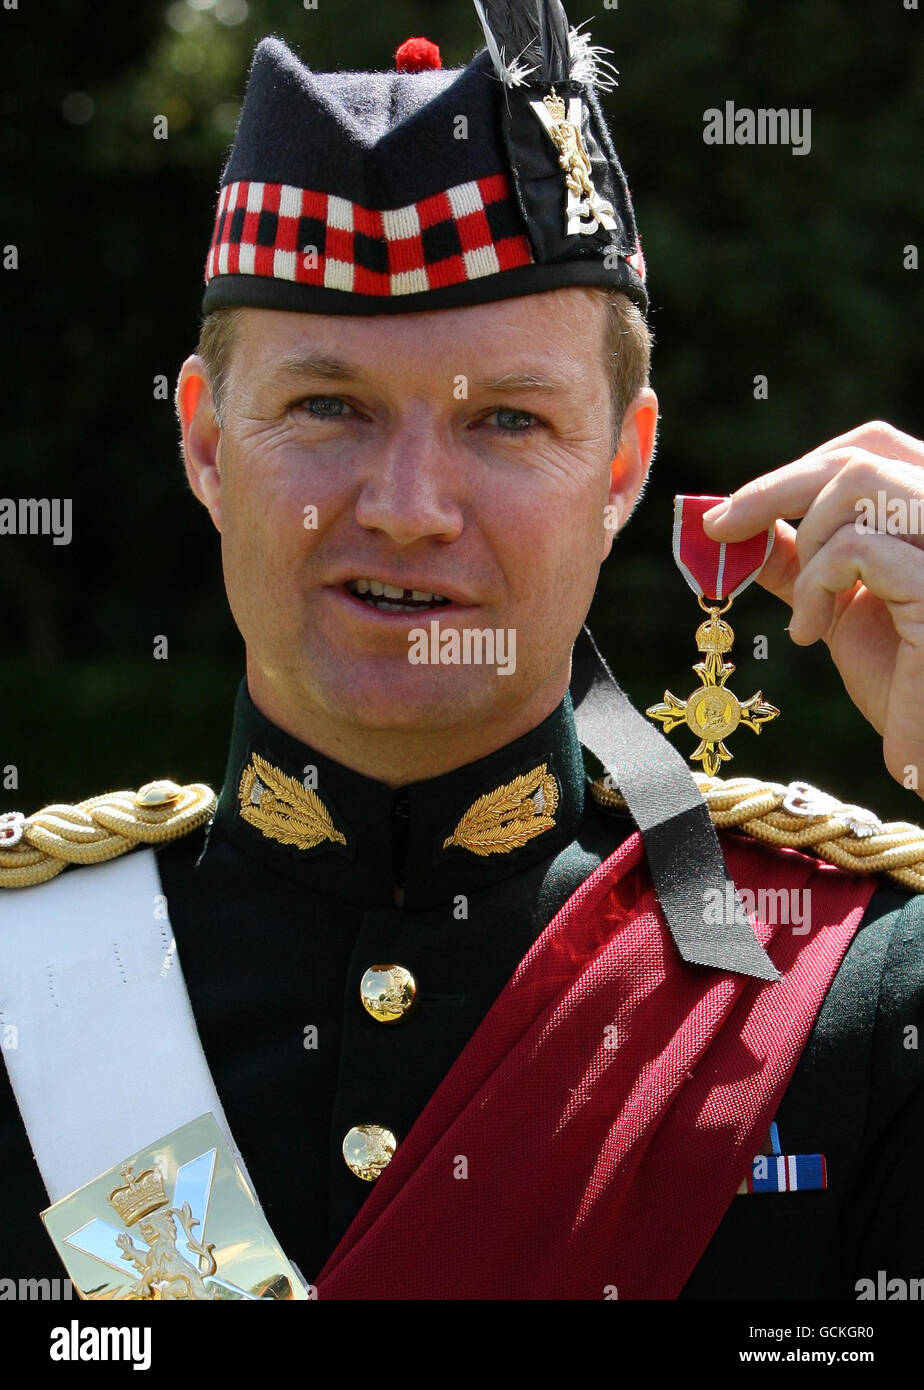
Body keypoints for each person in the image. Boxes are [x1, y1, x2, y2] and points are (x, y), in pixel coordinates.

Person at [1, 0, 923, 1300]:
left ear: (623, 466)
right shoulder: (24, 990)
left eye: (504, 419)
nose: (409, 503)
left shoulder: (851, 998)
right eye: (329, 405)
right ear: (206, 444)